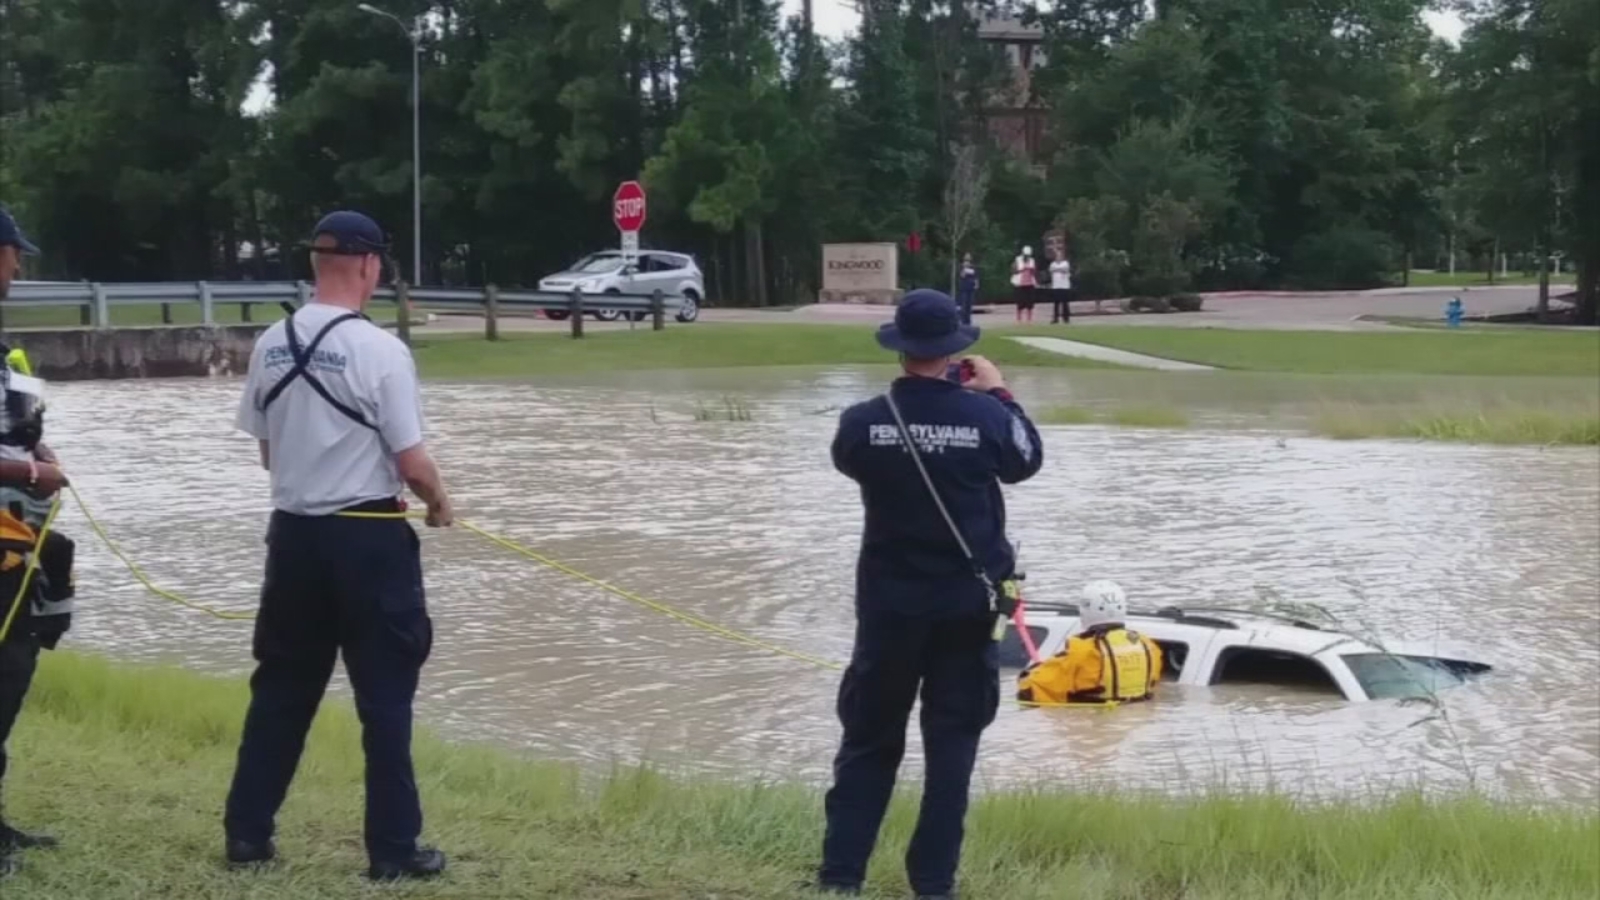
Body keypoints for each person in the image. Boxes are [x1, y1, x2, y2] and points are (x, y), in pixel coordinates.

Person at [222, 211, 454, 882]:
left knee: (281, 690)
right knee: (384, 698)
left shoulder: (270, 343)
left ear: (317, 264)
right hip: (369, 540)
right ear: (369, 266)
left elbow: (269, 453)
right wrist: (439, 503)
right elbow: (411, 462)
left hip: (292, 540)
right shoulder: (382, 351)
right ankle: (393, 850)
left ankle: (247, 833)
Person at [816, 289, 1044, 899]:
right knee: (952, 750)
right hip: (967, 612)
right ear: (954, 352)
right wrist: (997, 391)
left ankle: (841, 879)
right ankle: (933, 885)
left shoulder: (863, 423)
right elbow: (1026, 461)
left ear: (899, 349)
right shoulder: (988, 417)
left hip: (889, 610)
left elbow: (848, 463)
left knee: (867, 741)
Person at [0, 207, 72, 881]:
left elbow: (11, 427)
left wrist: (35, 447)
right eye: (12, 254)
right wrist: (30, 472)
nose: (18, 266)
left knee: (15, 667)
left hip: (16, 540)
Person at [1016, 580, 1163, 706]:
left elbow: (1031, 690)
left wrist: (1028, 674)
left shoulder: (1082, 651)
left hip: (1093, 725)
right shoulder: (1148, 646)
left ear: (1086, 611)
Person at [1010, 245, 1036, 323]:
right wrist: (1022, 269)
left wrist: (1031, 269)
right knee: (1020, 301)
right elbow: (1014, 270)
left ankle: (1029, 318)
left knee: (1030, 301)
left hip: (1029, 282)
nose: (1027, 257)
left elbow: (1034, 271)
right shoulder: (1017, 259)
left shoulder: (1032, 260)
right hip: (1020, 282)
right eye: (1026, 255)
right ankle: (1019, 318)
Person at [1048, 250, 1073, 325]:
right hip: (1056, 286)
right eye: (1057, 256)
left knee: (1065, 303)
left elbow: (1065, 270)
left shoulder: (1065, 263)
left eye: (1060, 256)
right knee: (1056, 303)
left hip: (1064, 286)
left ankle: (1066, 318)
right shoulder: (1053, 264)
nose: (1058, 257)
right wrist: (1059, 270)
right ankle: (1055, 318)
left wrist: (1057, 269)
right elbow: (1051, 270)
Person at [955, 253, 979, 326]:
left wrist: (977, 284)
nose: (968, 258)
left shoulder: (973, 267)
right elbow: (962, 275)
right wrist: (964, 268)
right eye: (966, 257)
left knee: (969, 304)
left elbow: (976, 276)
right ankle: (963, 320)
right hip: (964, 288)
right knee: (964, 304)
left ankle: (968, 320)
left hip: (971, 287)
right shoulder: (961, 266)